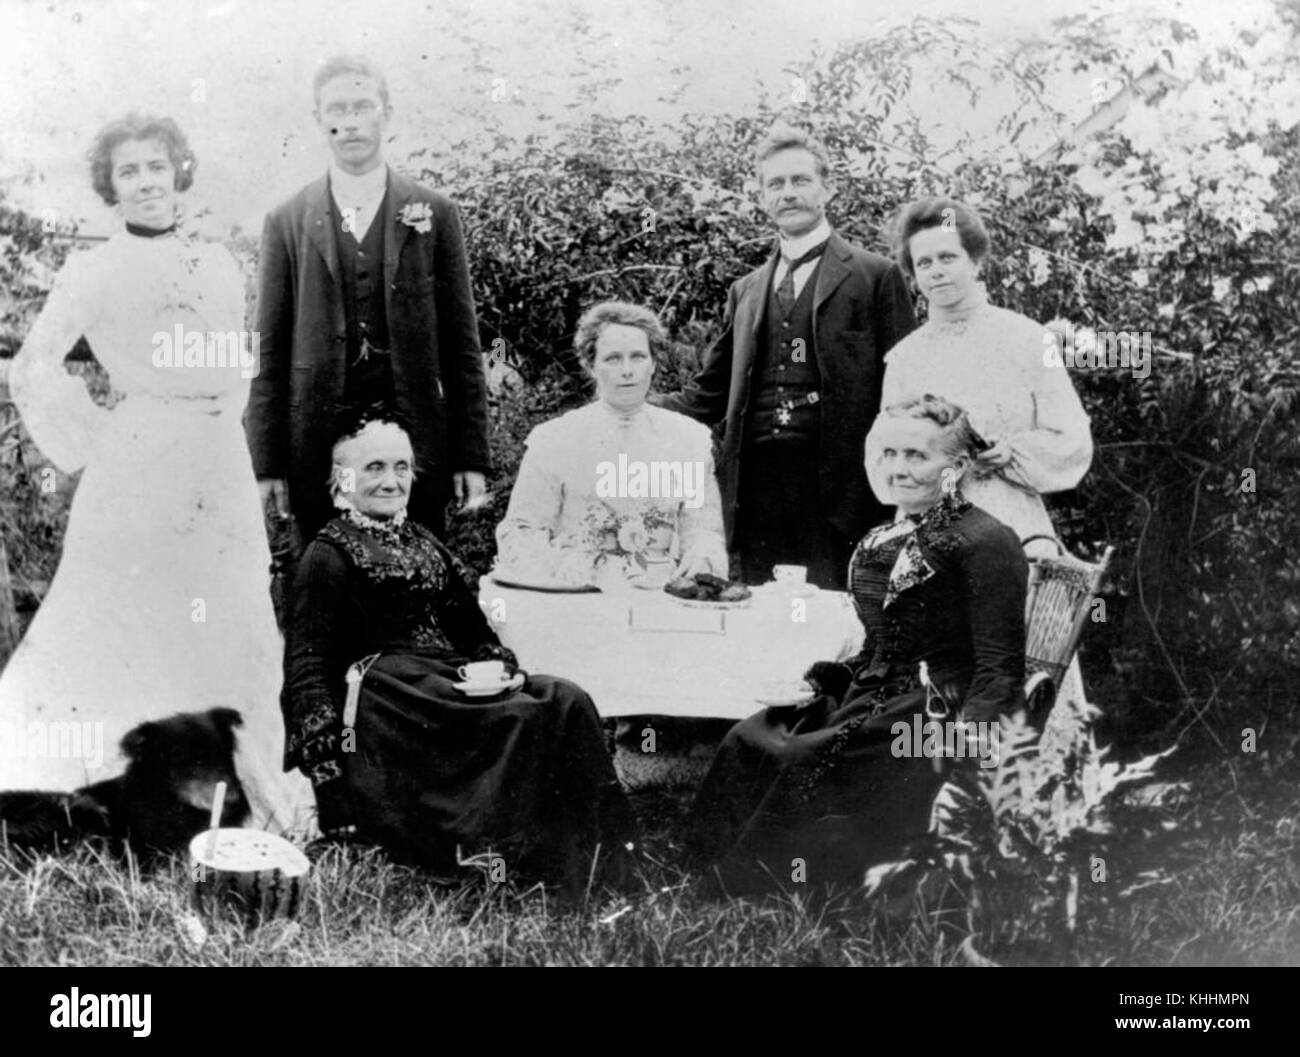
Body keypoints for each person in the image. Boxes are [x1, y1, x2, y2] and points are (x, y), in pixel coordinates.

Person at [0, 114, 312, 832]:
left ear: (181, 170)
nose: (145, 182)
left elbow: (238, 366)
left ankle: (228, 783)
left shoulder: (219, 263)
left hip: (217, 459)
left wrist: (224, 428)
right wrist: (97, 438)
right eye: (128, 172)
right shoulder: (96, 267)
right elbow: (34, 364)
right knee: (132, 616)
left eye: (155, 166)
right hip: (139, 459)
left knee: (229, 609)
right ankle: (119, 784)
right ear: (110, 188)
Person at [281, 409, 637, 885]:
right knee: (519, 719)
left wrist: (501, 669)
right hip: (390, 701)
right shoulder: (327, 553)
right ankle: (511, 855)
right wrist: (330, 786)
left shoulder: (425, 544)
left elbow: (474, 632)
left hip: (444, 681)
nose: (392, 481)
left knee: (567, 698)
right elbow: (305, 665)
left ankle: (599, 855)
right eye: (374, 468)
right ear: (341, 480)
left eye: (402, 467)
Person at [688, 396, 1027, 893]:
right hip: (873, 695)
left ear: (954, 468)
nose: (898, 469)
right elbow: (878, 645)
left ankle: (772, 883)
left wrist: (969, 750)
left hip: (931, 714)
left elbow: (1000, 668)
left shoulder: (986, 541)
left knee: (802, 756)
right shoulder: (883, 536)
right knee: (753, 734)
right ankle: (712, 868)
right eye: (888, 454)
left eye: (916, 456)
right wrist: (829, 678)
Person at [653, 123, 916, 589]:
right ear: (761, 197)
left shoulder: (876, 277)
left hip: (843, 493)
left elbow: (907, 391)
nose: (788, 193)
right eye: (775, 184)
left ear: (827, 188)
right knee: (765, 631)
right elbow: (708, 395)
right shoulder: (746, 291)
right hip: (756, 494)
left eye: (800, 180)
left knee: (841, 634)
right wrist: (628, 410)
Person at [247, 54, 491, 548]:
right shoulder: (287, 221)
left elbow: (463, 346)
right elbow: (266, 353)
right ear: (319, 120)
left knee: (416, 579)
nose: (351, 120)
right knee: (322, 578)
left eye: (364, 105)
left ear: (387, 113)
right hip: (316, 442)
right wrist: (266, 463)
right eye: (337, 109)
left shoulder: (436, 214)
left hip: (414, 439)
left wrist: (471, 457)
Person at [879, 197, 1093, 713]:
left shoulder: (1024, 338)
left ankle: (1033, 785)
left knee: (1024, 668)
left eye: (947, 257)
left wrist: (1012, 452)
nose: (936, 272)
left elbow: (1072, 439)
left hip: (1012, 523)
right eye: (923, 263)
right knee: (938, 676)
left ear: (975, 262)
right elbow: (884, 454)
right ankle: (937, 789)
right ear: (912, 275)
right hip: (929, 529)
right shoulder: (905, 358)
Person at [495, 302, 727, 589]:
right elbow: (521, 530)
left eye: (638, 357)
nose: (627, 371)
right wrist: (557, 567)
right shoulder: (554, 439)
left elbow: (704, 531)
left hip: (658, 598)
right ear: (591, 365)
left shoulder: (687, 439)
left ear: (653, 363)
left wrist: (702, 559)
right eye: (613, 359)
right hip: (576, 596)